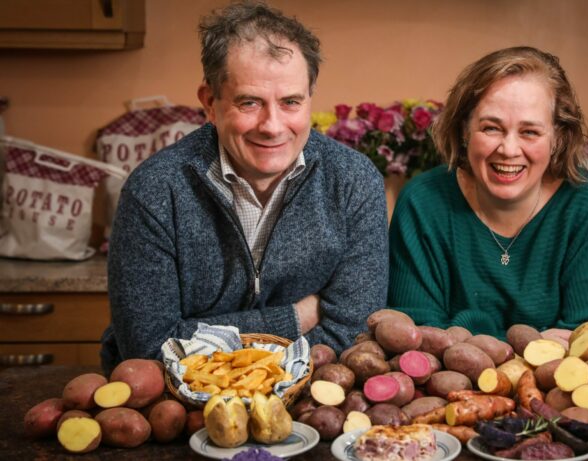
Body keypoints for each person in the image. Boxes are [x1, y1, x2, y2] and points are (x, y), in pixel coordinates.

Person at [101, 1, 388, 373]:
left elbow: (352, 334)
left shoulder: (354, 181)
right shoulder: (155, 190)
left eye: (291, 102)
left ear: (309, 98)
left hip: (311, 399)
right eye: (250, 103)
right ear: (210, 102)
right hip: (174, 401)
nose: (272, 126)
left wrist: (202, 336)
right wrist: (295, 317)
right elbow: (150, 348)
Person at [387, 46, 588, 339]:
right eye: (491, 128)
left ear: (558, 138)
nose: (508, 150)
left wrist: (463, 336)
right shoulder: (422, 202)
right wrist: (542, 340)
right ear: (465, 130)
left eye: (529, 132)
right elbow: (416, 340)